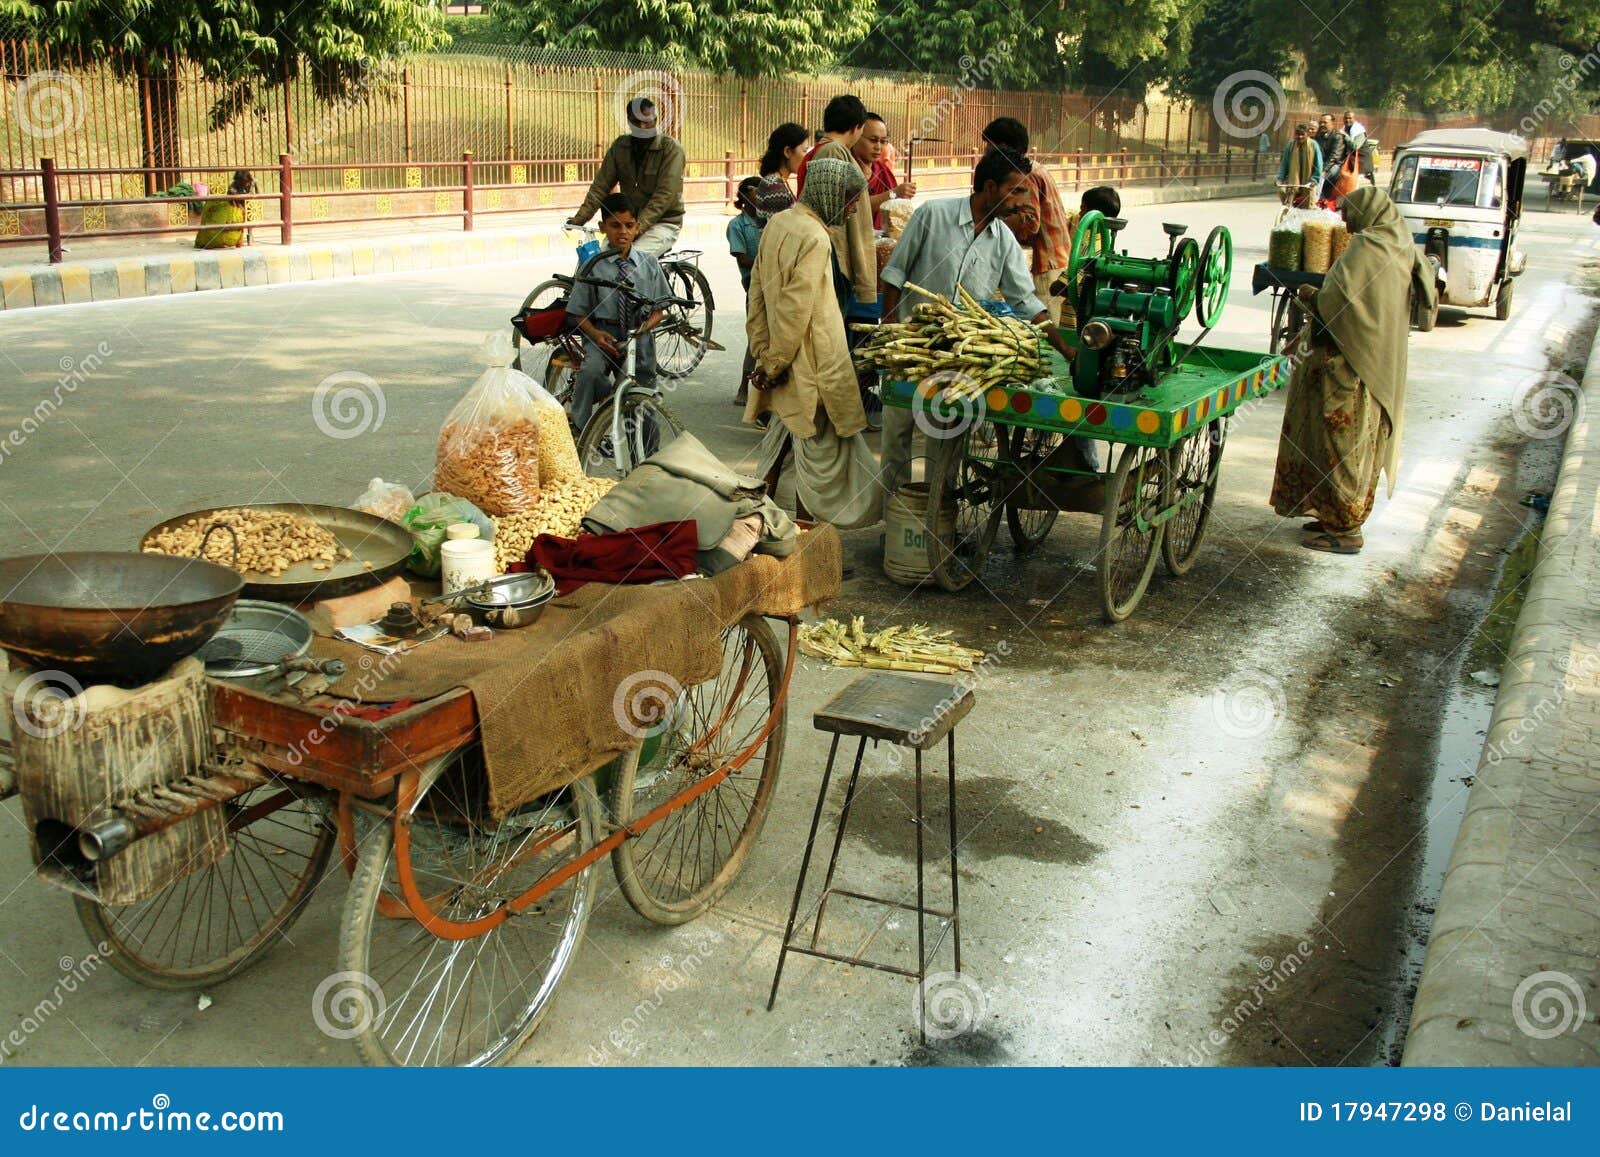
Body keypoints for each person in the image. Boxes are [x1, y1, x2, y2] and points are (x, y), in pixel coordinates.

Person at [877, 147, 1068, 496]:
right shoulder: (934, 215)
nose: (1022, 202)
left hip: (961, 357)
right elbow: (894, 274)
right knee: (897, 437)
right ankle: (892, 514)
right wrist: (889, 332)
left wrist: (1064, 347)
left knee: (946, 440)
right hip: (910, 348)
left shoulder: (1004, 239)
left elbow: (1025, 301)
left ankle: (938, 514)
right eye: (1015, 191)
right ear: (991, 187)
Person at [1270, 187, 1434, 555]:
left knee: (1341, 446)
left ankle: (1346, 530)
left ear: (1367, 212)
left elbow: (1339, 302)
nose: (1345, 221)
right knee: (1344, 443)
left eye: (1349, 213)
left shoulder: (1368, 248)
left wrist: (1311, 294)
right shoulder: (1399, 244)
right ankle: (1332, 516)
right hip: (1372, 363)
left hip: (1350, 366)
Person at [744, 157, 883, 529]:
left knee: (784, 440)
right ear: (831, 194)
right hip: (810, 361)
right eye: (850, 200)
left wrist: (764, 354)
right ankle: (805, 537)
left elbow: (757, 294)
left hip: (781, 356)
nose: (853, 209)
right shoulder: (815, 237)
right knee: (814, 452)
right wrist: (774, 363)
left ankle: (756, 523)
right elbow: (796, 308)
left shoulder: (779, 223)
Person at [565, 194, 672, 432]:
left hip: (639, 335)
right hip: (603, 334)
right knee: (590, 372)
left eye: (629, 225)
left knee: (641, 394)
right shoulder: (592, 265)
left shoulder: (649, 263)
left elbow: (660, 310)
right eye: (615, 225)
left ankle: (645, 446)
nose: (622, 232)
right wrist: (595, 335)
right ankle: (582, 430)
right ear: (603, 227)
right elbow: (577, 312)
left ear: (637, 227)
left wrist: (641, 331)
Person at [981, 117, 1073, 326]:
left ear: (1004, 146)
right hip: (1058, 258)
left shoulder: (1023, 174)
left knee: (1044, 328)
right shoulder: (1035, 168)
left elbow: (1030, 223)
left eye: (989, 145)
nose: (986, 151)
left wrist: (993, 223)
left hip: (1048, 264)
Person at [567, 97, 685, 257]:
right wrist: (580, 218)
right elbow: (600, 186)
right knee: (600, 260)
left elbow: (664, 195)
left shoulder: (670, 149)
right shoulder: (620, 147)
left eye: (647, 121)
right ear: (629, 121)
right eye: (636, 122)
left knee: (630, 260)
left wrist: (637, 228)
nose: (642, 127)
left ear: (656, 120)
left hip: (663, 223)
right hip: (628, 223)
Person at [797, 95, 878, 316]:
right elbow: (833, 212)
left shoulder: (828, 150)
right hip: (833, 252)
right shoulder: (833, 151)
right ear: (856, 127)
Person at [727, 176, 766, 410]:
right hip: (754, 285)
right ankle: (744, 386)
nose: (760, 197)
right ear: (744, 197)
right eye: (756, 193)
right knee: (755, 336)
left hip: (775, 283)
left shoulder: (769, 219)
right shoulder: (737, 225)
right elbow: (741, 258)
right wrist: (770, 263)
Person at [853, 112, 915, 230]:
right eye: (873, 140)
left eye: (883, 141)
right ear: (855, 136)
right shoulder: (846, 168)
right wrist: (894, 193)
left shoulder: (882, 171)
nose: (878, 147)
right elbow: (855, 207)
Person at [756, 122, 808, 219]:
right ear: (787, 152)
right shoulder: (775, 188)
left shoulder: (773, 182)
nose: (806, 157)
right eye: (804, 151)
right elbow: (779, 227)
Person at [195, 170, 254, 249]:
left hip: (247, 205)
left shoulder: (251, 184)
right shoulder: (234, 184)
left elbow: (254, 197)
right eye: (239, 181)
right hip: (236, 204)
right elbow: (229, 196)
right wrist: (233, 194)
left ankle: (246, 235)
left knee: (244, 212)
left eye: (243, 181)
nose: (241, 183)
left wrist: (243, 196)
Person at [1277, 123, 1323, 207]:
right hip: (1293, 180)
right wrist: (1280, 178)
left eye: (1302, 134)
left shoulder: (1313, 145)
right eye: (1297, 134)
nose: (1300, 137)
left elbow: (1319, 164)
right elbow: (1284, 163)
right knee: (1283, 193)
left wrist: (1314, 179)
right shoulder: (1290, 145)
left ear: (1307, 134)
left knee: (1309, 204)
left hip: (1309, 181)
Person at [1314, 113, 1349, 202]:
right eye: (1320, 122)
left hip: (1334, 165)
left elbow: (1334, 157)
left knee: (1324, 174)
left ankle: (1317, 197)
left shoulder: (1337, 136)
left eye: (1325, 122)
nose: (1322, 125)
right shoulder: (1318, 136)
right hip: (1320, 164)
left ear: (1332, 123)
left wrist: (1324, 170)